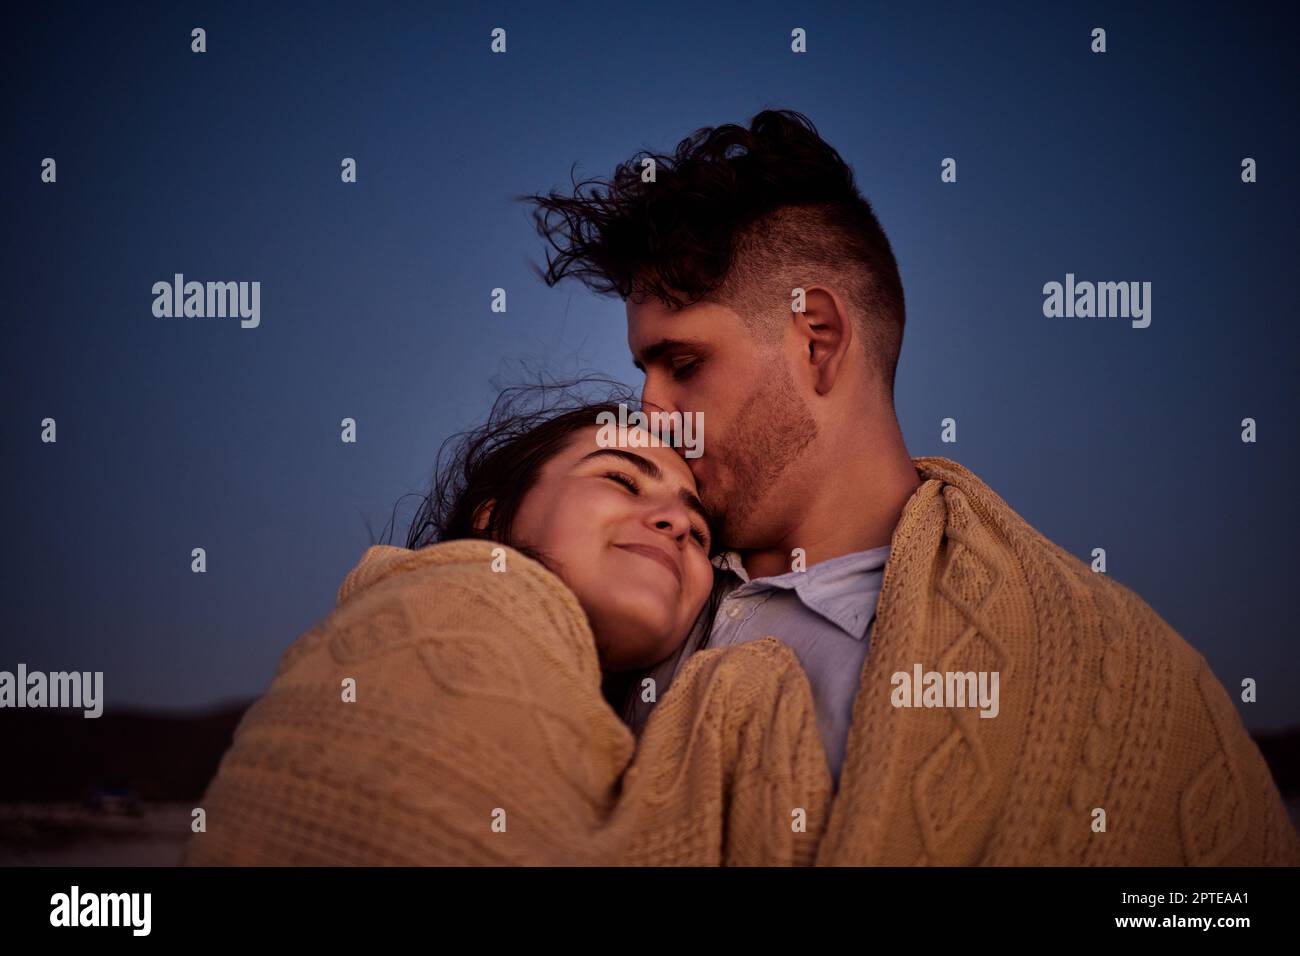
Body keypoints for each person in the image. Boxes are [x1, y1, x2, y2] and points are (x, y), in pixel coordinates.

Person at [518, 108, 1300, 865]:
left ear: (816, 339)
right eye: (642, 373)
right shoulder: (623, 584)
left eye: (682, 365)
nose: (649, 411)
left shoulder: (1131, 678)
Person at [182, 393, 834, 866]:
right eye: (619, 479)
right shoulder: (444, 606)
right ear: (495, 519)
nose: (674, 521)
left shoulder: (653, 725)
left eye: (698, 529)